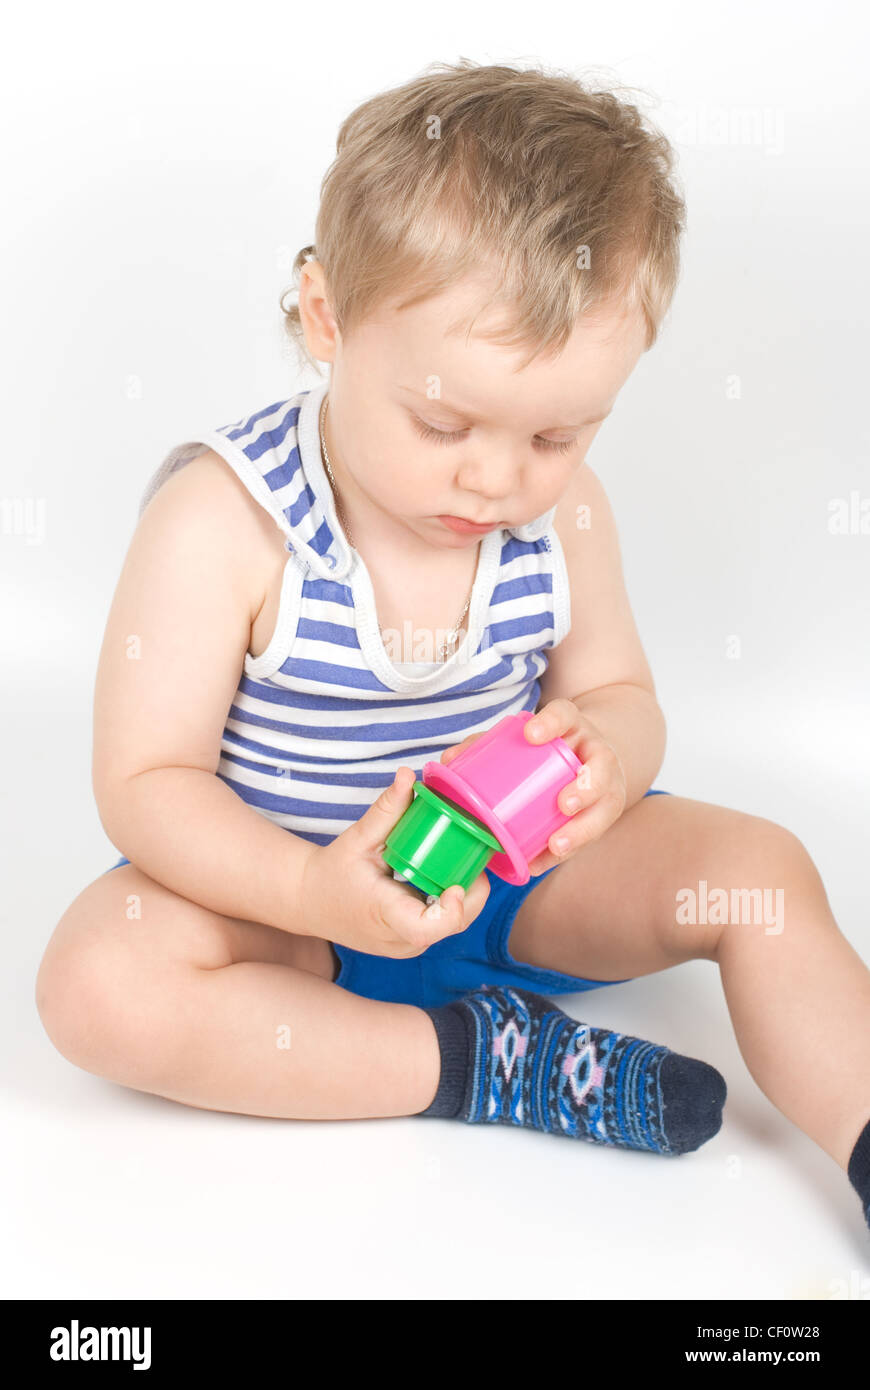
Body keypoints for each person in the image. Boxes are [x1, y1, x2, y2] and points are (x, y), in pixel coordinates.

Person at [35, 60, 870, 1227]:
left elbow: (620, 690)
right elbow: (142, 784)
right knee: (95, 983)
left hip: (517, 886)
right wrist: (314, 891)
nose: (495, 478)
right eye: (442, 421)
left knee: (762, 870)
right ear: (326, 320)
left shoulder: (563, 517)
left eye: (556, 433)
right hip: (289, 908)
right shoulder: (228, 522)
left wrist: (615, 752)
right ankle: (478, 1063)